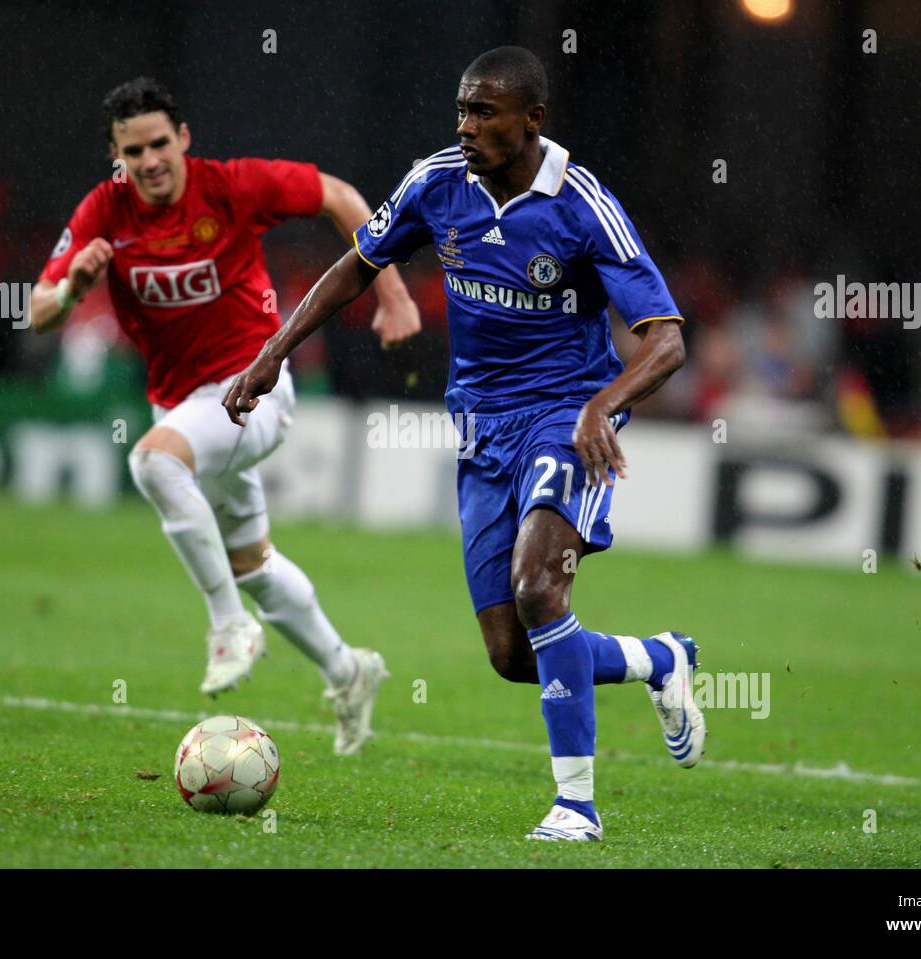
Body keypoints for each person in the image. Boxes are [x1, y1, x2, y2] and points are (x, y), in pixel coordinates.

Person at [224, 48, 704, 839]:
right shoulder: (436, 181)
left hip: (566, 416)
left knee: (540, 587)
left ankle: (575, 807)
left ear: (533, 120)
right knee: (514, 653)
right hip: (482, 428)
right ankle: (660, 659)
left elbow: (667, 341)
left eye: (485, 112)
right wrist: (274, 351)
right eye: (462, 109)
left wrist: (603, 405)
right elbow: (359, 262)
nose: (467, 126)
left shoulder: (583, 204)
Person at [31, 77, 421, 755]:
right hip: (182, 404)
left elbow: (339, 196)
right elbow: (39, 312)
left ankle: (227, 627)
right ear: (115, 155)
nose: (150, 161)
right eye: (133, 151)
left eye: (160, 143)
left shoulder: (233, 186)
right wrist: (73, 287)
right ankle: (348, 670)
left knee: (154, 461)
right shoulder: (104, 209)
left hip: (253, 390)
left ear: (182, 139)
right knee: (252, 563)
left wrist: (389, 290)